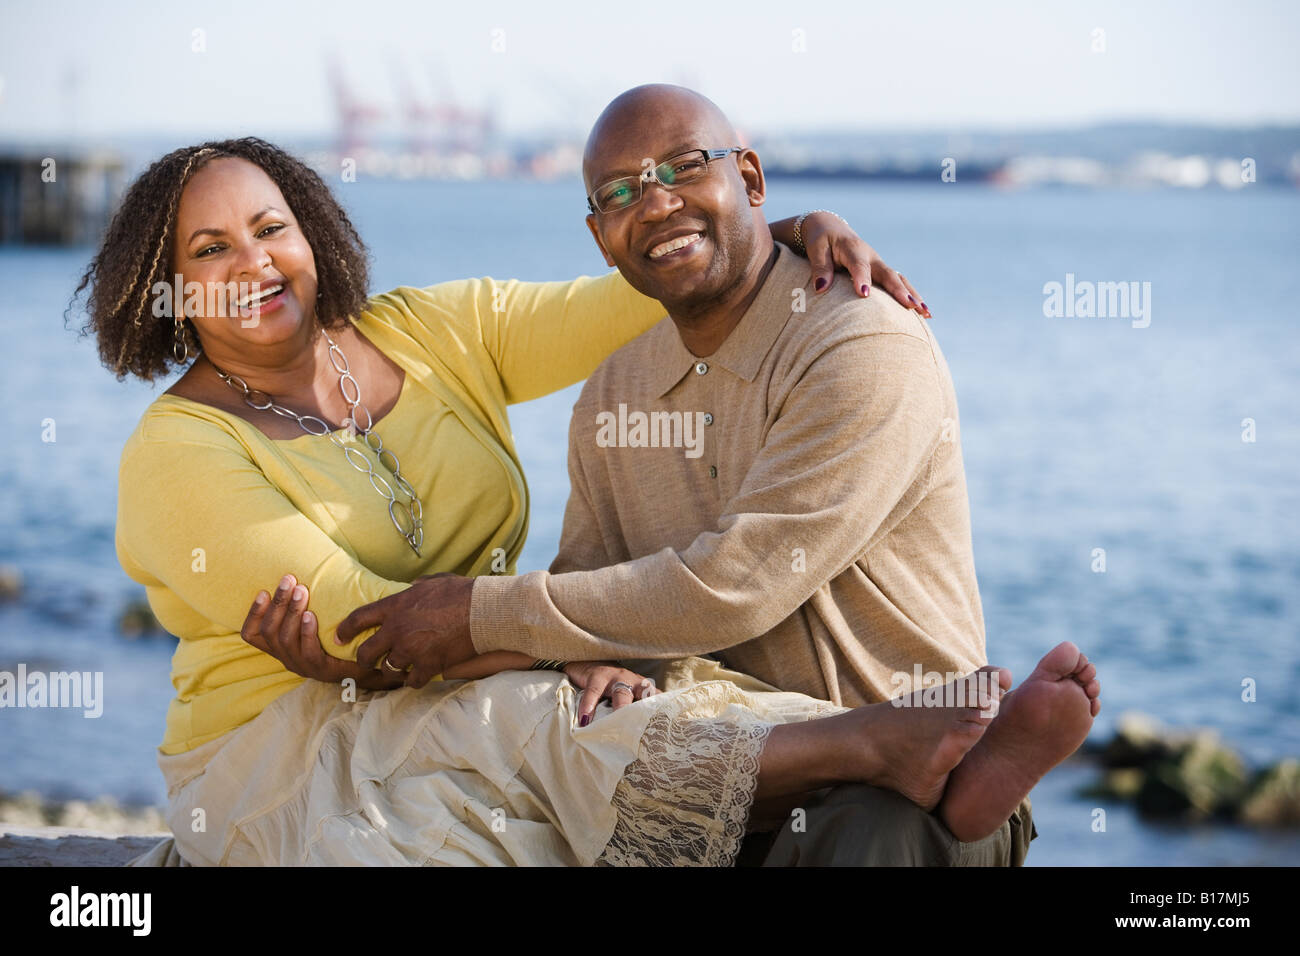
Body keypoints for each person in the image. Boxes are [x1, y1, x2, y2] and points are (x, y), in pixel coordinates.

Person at [86, 136, 1010, 867]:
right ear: (164, 292)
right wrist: (554, 653)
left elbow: (647, 285)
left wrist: (776, 224)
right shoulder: (176, 453)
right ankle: (880, 748)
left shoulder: (428, 331)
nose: (256, 261)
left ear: (313, 231)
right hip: (279, 746)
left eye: (269, 227)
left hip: (459, 674)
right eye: (211, 249)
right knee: (559, 715)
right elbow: (356, 627)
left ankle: (913, 756)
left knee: (617, 698)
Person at [270, 85, 1103, 864]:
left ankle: (978, 783)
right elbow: (588, 590)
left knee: (866, 828)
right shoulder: (613, 387)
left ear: (748, 177)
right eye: (622, 192)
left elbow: (738, 584)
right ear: (600, 238)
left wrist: (484, 610)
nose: (656, 201)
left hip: (907, 767)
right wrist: (582, 658)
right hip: (721, 755)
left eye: (682, 169)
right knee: (527, 788)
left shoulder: (858, 341)